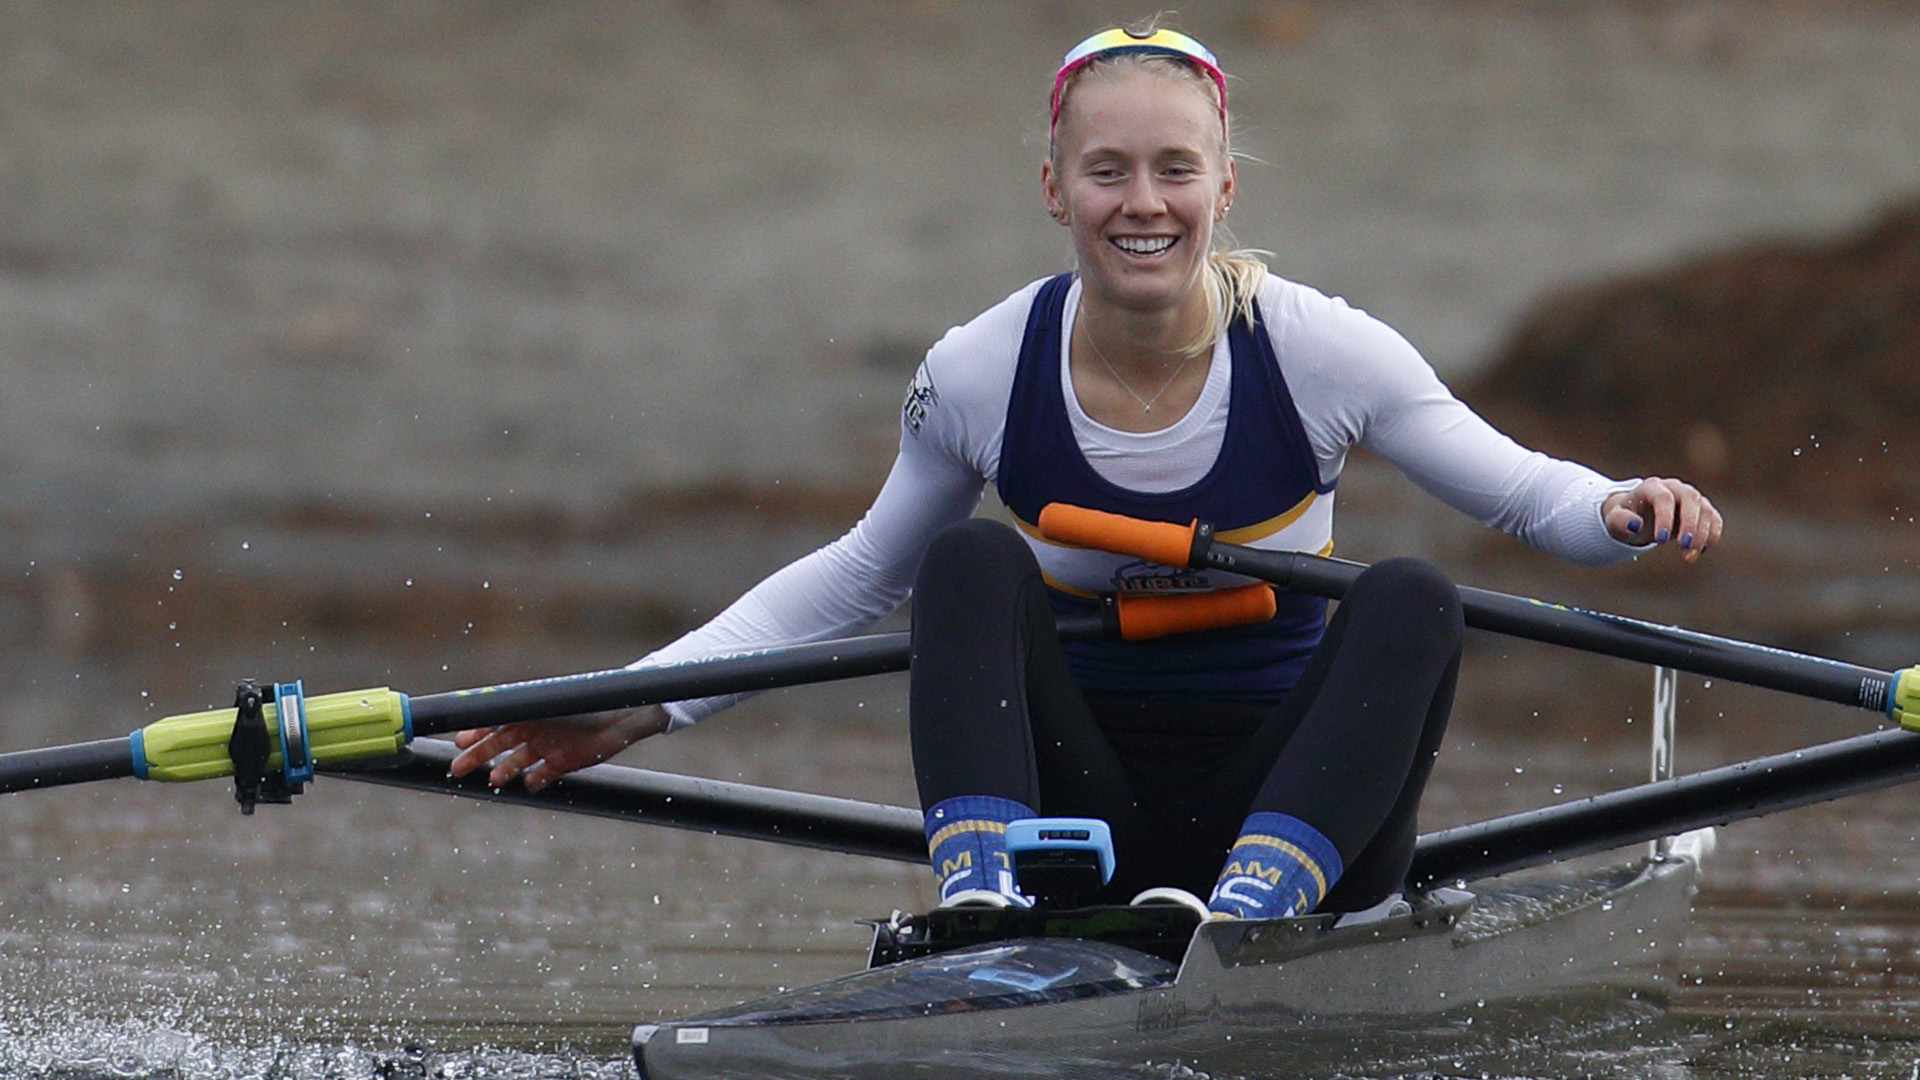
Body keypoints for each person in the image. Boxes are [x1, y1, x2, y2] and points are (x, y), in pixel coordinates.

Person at [450, 23, 1722, 918]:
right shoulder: (981, 370)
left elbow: (1529, 499)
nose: (1142, 202)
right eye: (1106, 171)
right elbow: (851, 580)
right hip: (1078, 816)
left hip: (1302, 808)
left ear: (1223, 186)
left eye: (1175, 170)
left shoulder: (1323, 351)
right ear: (1053, 189)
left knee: (1414, 599)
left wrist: (1623, 511)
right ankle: (984, 895)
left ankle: (1259, 905)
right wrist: (639, 701)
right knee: (968, 559)